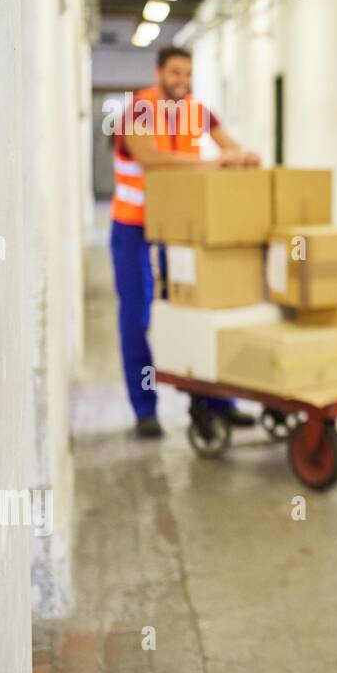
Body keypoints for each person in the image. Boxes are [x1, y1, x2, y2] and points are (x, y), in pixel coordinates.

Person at [110, 46, 261, 438]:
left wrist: (244, 157)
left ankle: (218, 402)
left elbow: (229, 146)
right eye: (175, 72)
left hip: (179, 229)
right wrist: (212, 163)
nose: (182, 81)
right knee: (137, 317)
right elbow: (149, 157)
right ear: (158, 72)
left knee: (198, 308)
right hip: (134, 228)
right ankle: (145, 410)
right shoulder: (138, 110)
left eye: (188, 74)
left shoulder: (198, 110)